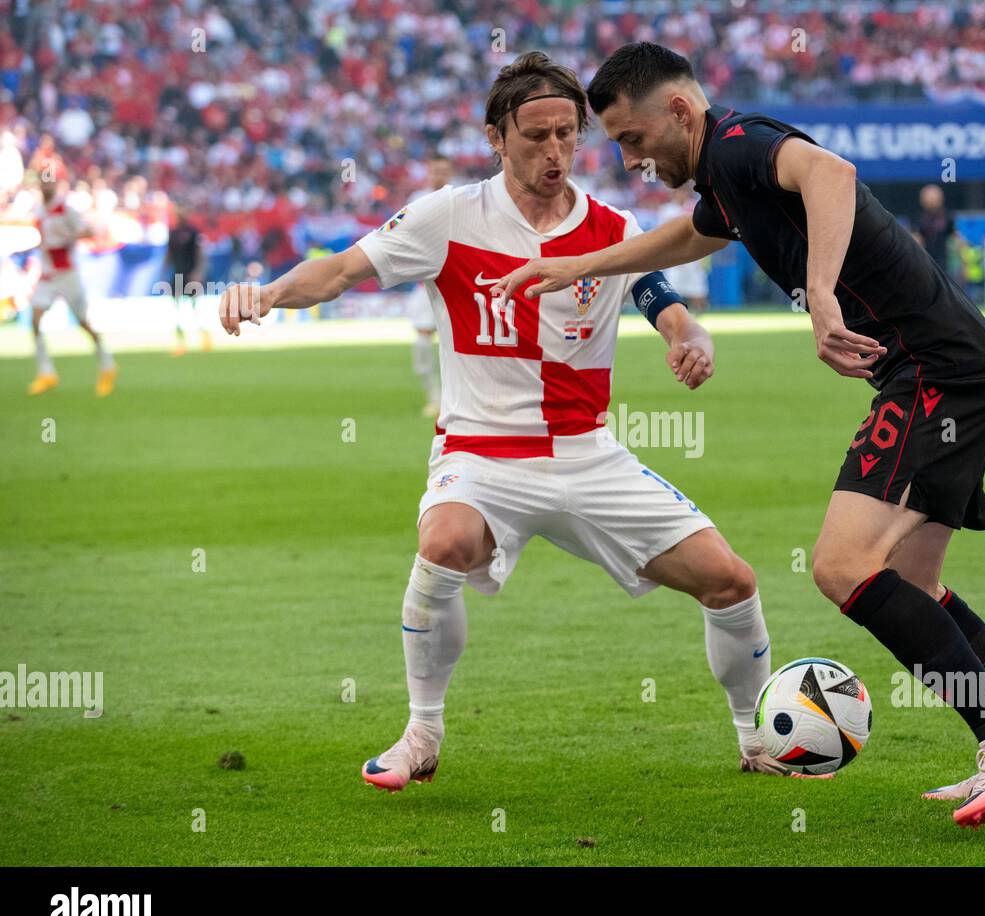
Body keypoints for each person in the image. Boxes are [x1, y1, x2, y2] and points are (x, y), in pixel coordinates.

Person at [493, 42, 985, 829]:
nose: (629, 160)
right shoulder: (723, 184)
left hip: (935, 371)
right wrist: (578, 265)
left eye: (631, 139)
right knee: (915, 577)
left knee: (840, 566)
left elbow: (831, 174)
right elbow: (689, 237)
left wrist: (823, 299)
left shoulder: (738, 143)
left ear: (680, 113)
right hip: (944, 368)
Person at [218, 52, 818, 792]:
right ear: (496, 138)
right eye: (535, 135)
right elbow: (342, 270)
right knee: (444, 540)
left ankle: (757, 736)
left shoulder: (609, 225)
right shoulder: (448, 215)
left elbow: (658, 296)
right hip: (483, 451)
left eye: (568, 133)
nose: (554, 151)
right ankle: (422, 732)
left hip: (586, 453)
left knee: (729, 580)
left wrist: (685, 334)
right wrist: (270, 291)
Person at [26, 163, 116, 397]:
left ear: (55, 184)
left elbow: (88, 231)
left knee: (84, 324)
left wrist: (67, 237)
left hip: (68, 274)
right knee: (35, 321)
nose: (46, 185)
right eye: (42, 181)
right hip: (48, 274)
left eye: (49, 181)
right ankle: (46, 372)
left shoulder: (65, 208)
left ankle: (107, 365)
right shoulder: (40, 210)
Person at [408, 156, 455, 417]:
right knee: (422, 343)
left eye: (444, 170)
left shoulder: (461, 199)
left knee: (458, 344)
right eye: (435, 170)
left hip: (457, 280)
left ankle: (454, 399)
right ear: (429, 171)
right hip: (425, 282)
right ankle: (434, 398)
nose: (439, 175)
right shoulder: (418, 200)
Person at [165, 205, 210, 355]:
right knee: (176, 310)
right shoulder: (172, 233)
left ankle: (204, 338)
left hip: (191, 275)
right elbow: (169, 254)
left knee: (195, 307)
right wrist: (164, 271)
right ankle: (181, 343)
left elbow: (200, 254)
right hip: (177, 275)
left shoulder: (193, 232)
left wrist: (198, 272)